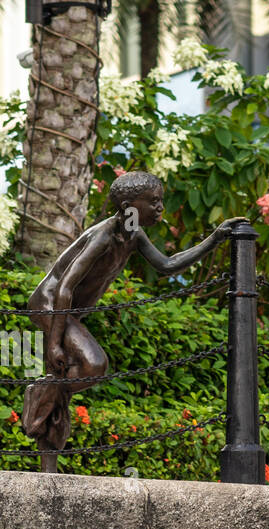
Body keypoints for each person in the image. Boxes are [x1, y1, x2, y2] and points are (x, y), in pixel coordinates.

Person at [24, 170, 244, 471]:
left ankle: (48, 430)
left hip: (67, 311)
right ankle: (41, 392)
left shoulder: (134, 234)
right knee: (93, 365)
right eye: (153, 202)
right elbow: (65, 287)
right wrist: (54, 343)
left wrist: (215, 238)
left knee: (62, 381)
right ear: (129, 206)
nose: (160, 208)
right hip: (51, 306)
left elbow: (167, 265)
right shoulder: (105, 236)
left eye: (160, 201)